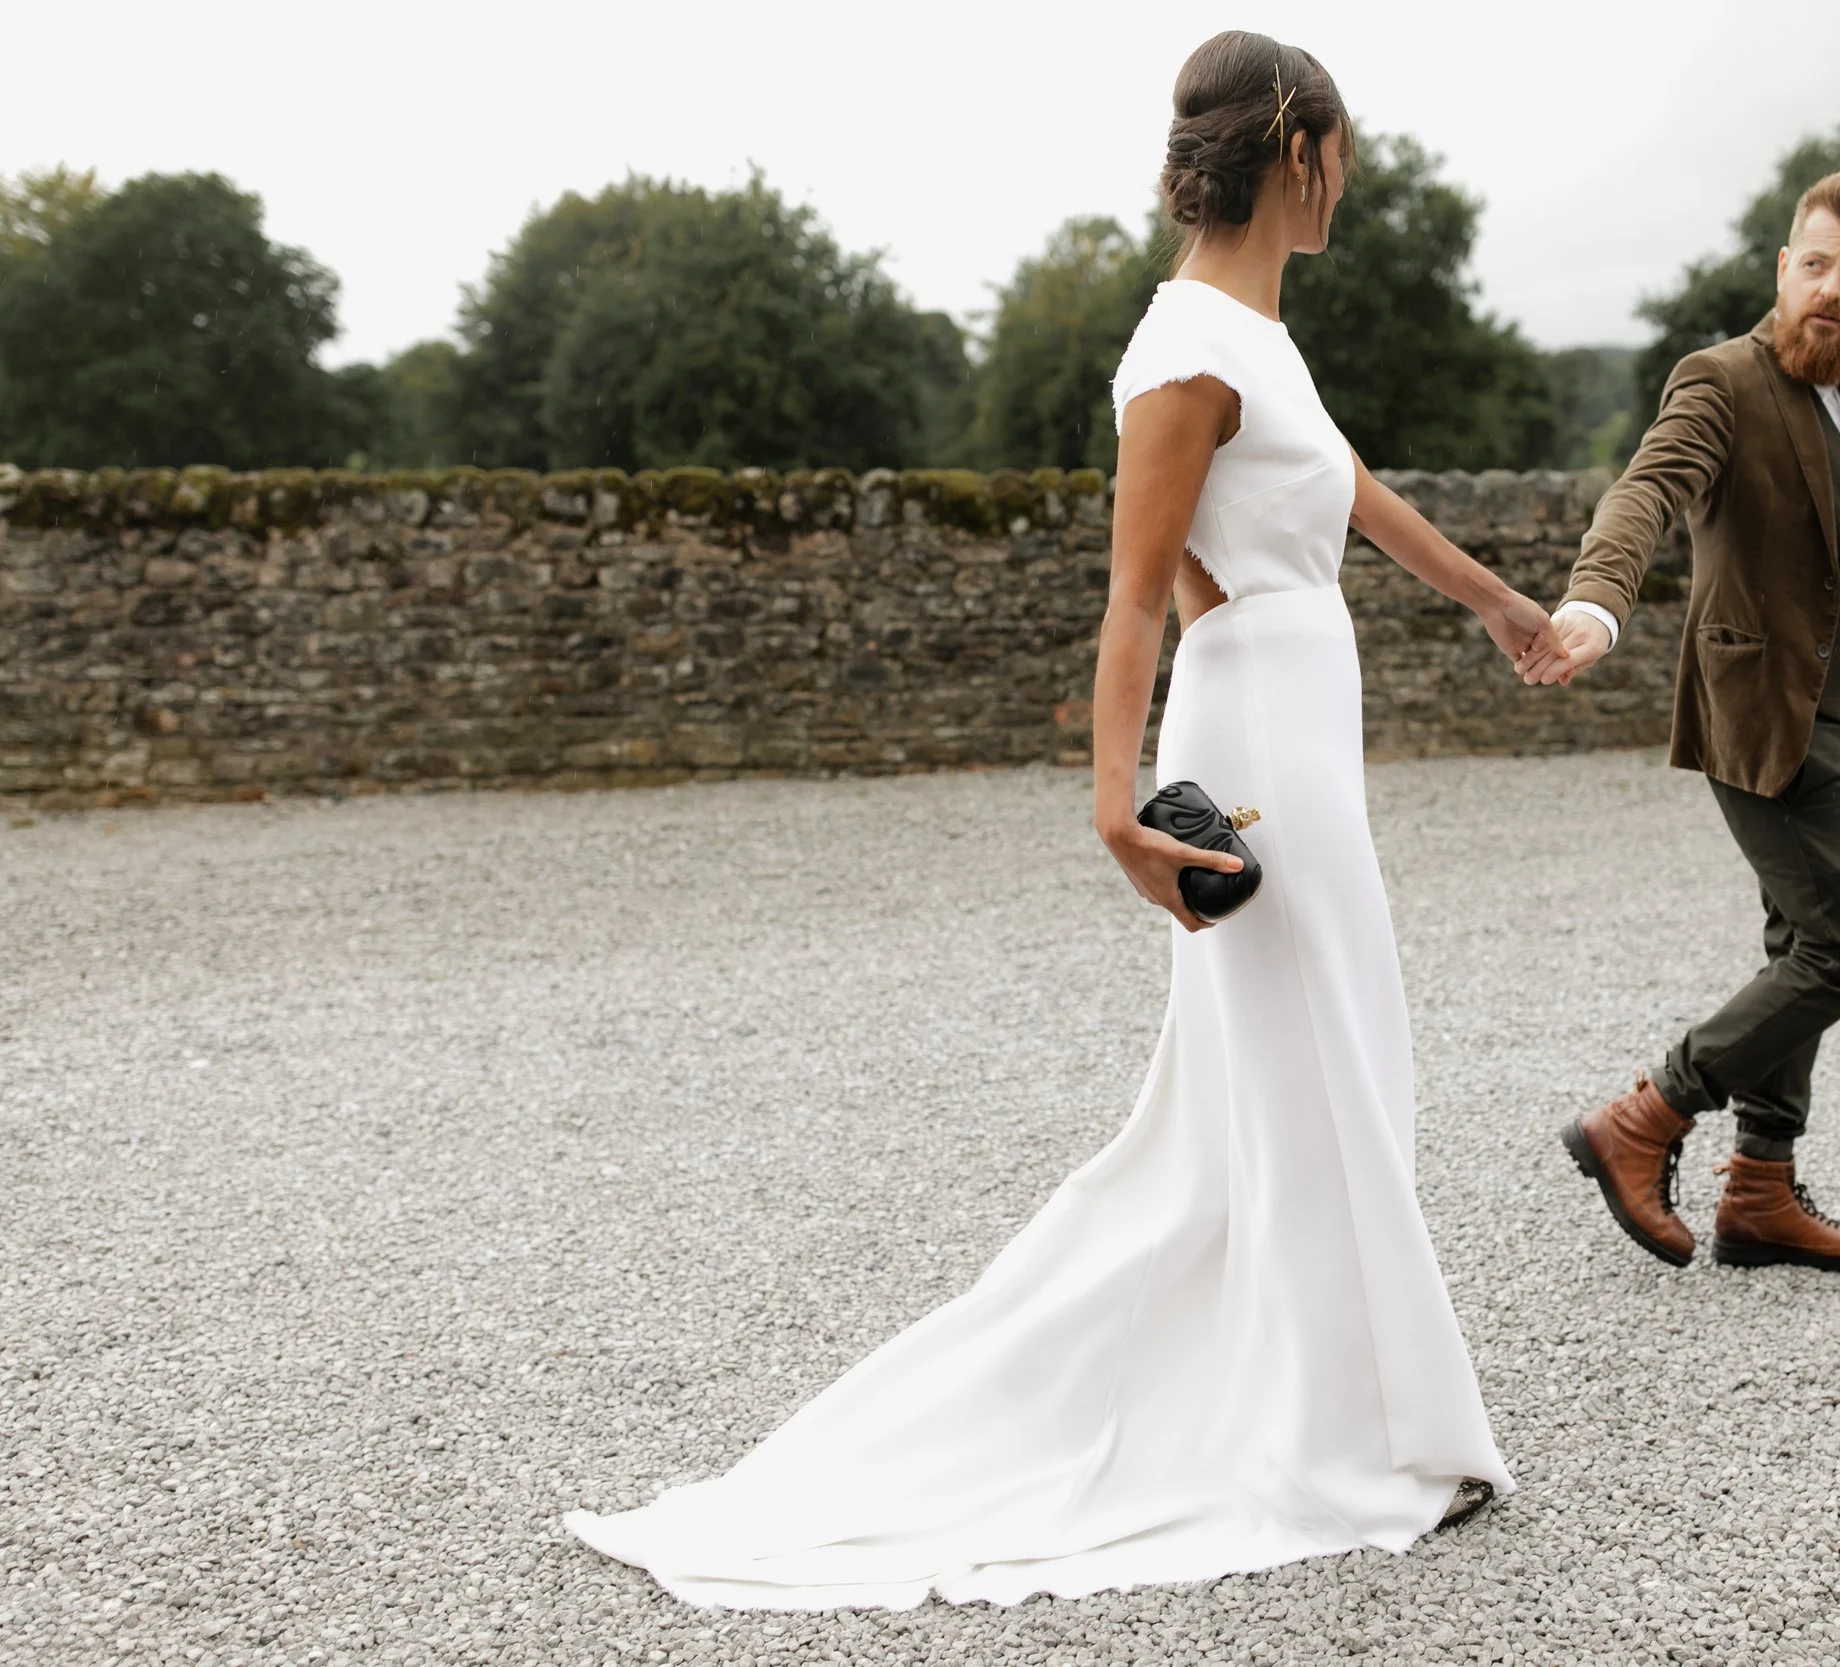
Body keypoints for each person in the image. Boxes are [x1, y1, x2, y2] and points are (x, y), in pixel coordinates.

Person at [564, 31, 1558, 1610]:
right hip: (1253, 733)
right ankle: (1341, 1433)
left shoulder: (1260, 334)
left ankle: (1358, 1409)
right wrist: (1112, 802)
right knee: (1303, 1068)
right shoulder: (1182, 347)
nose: (1348, 184)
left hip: (1308, 720)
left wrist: (1498, 603)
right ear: (1297, 149)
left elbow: (1346, 485)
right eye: (1342, 156)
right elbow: (1133, 592)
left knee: (1337, 1059)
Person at [1519, 164, 1840, 1277]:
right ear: (1782, 267)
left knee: (1800, 943)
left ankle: (1761, 1190)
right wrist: (1596, 601)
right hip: (1764, 713)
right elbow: (1647, 488)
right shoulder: (1721, 379)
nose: (1830, 290)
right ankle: (1644, 1117)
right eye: (1814, 265)